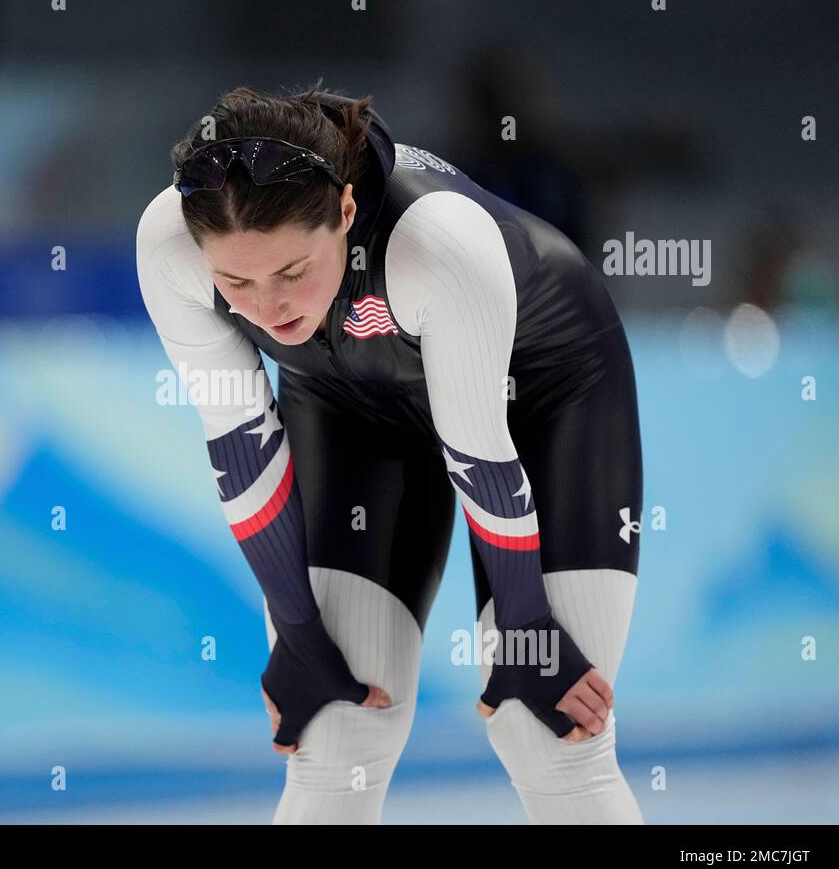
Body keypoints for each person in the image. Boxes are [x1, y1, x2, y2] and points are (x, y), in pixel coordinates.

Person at [135, 80, 644, 824]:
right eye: (234, 282)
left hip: (540, 395)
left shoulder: (437, 243)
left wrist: (529, 627)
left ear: (345, 211)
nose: (269, 309)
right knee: (334, 737)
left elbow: (480, 456)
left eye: (292, 272)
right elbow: (242, 444)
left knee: (547, 735)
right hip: (354, 408)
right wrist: (299, 633)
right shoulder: (169, 244)